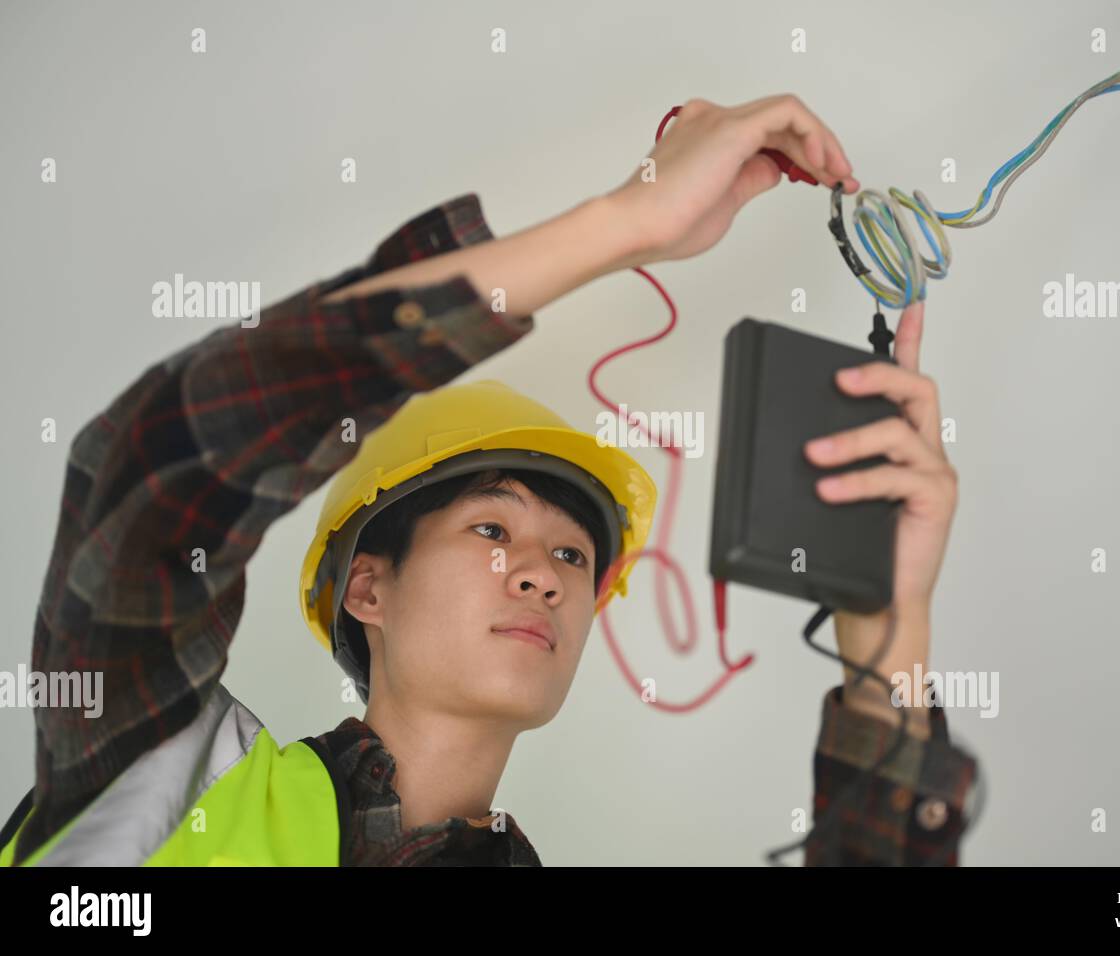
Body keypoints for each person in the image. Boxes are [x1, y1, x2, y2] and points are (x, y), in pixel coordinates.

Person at [1, 94, 975, 867]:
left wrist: (886, 628)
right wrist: (624, 224)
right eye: (491, 530)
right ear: (367, 586)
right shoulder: (170, 775)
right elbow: (155, 473)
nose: (544, 575)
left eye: (572, 555)